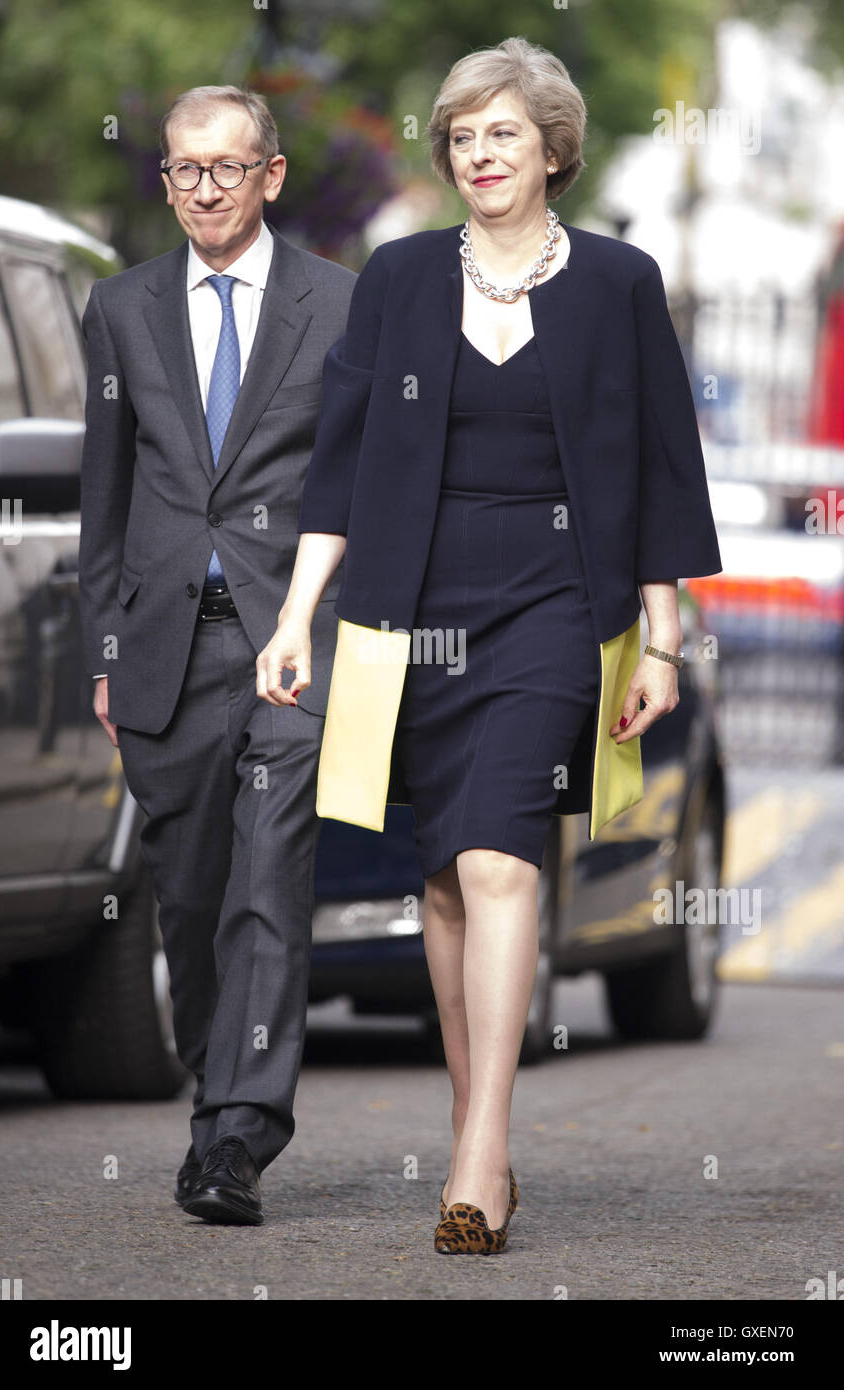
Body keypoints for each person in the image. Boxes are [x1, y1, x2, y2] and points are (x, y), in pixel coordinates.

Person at [257, 37, 722, 1254]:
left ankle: (475, 1153)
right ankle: (487, 1136)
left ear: (554, 148)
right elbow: (342, 466)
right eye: (462, 136)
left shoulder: (620, 282)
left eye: (502, 133)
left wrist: (661, 641)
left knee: (503, 859)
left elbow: (665, 467)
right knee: (445, 881)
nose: (479, 154)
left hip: (560, 602)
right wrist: (300, 613)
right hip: (413, 604)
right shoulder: (401, 276)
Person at [78, 85, 355, 1225]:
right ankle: (218, 1093)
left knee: (267, 884)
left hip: (286, 642)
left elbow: (357, 479)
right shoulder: (122, 307)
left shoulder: (340, 305)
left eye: (225, 169)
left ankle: (237, 1136)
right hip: (161, 651)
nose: (201, 189)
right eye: (183, 170)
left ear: (271, 177)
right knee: (188, 900)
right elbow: (106, 497)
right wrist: (106, 649)